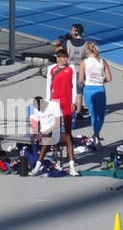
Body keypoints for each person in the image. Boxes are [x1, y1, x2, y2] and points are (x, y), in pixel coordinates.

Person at [44, 47, 79, 175]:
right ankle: (57, 158)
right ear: (58, 58)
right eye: (62, 57)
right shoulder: (51, 69)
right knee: (55, 131)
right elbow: (48, 87)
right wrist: (47, 104)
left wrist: (74, 102)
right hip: (55, 104)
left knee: (68, 132)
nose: (65, 60)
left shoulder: (72, 69)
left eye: (66, 57)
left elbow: (74, 86)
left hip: (67, 103)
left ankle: (70, 158)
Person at [79, 40, 112, 148]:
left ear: (87, 51)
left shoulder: (84, 62)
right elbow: (109, 78)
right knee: (100, 115)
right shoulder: (103, 62)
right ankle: (96, 133)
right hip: (100, 89)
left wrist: (88, 82)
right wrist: (100, 81)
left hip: (88, 90)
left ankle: (95, 135)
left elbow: (80, 79)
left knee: (93, 114)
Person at [58, 22, 89, 118]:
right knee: (79, 92)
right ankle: (79, 111)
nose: (70, 32)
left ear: (76, 32)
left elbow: (59, 50)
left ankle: (69, 109)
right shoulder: (86, 44)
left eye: (72, 30)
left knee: (69, 90)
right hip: (80, 70)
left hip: (69, 69)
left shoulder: (67, 43)